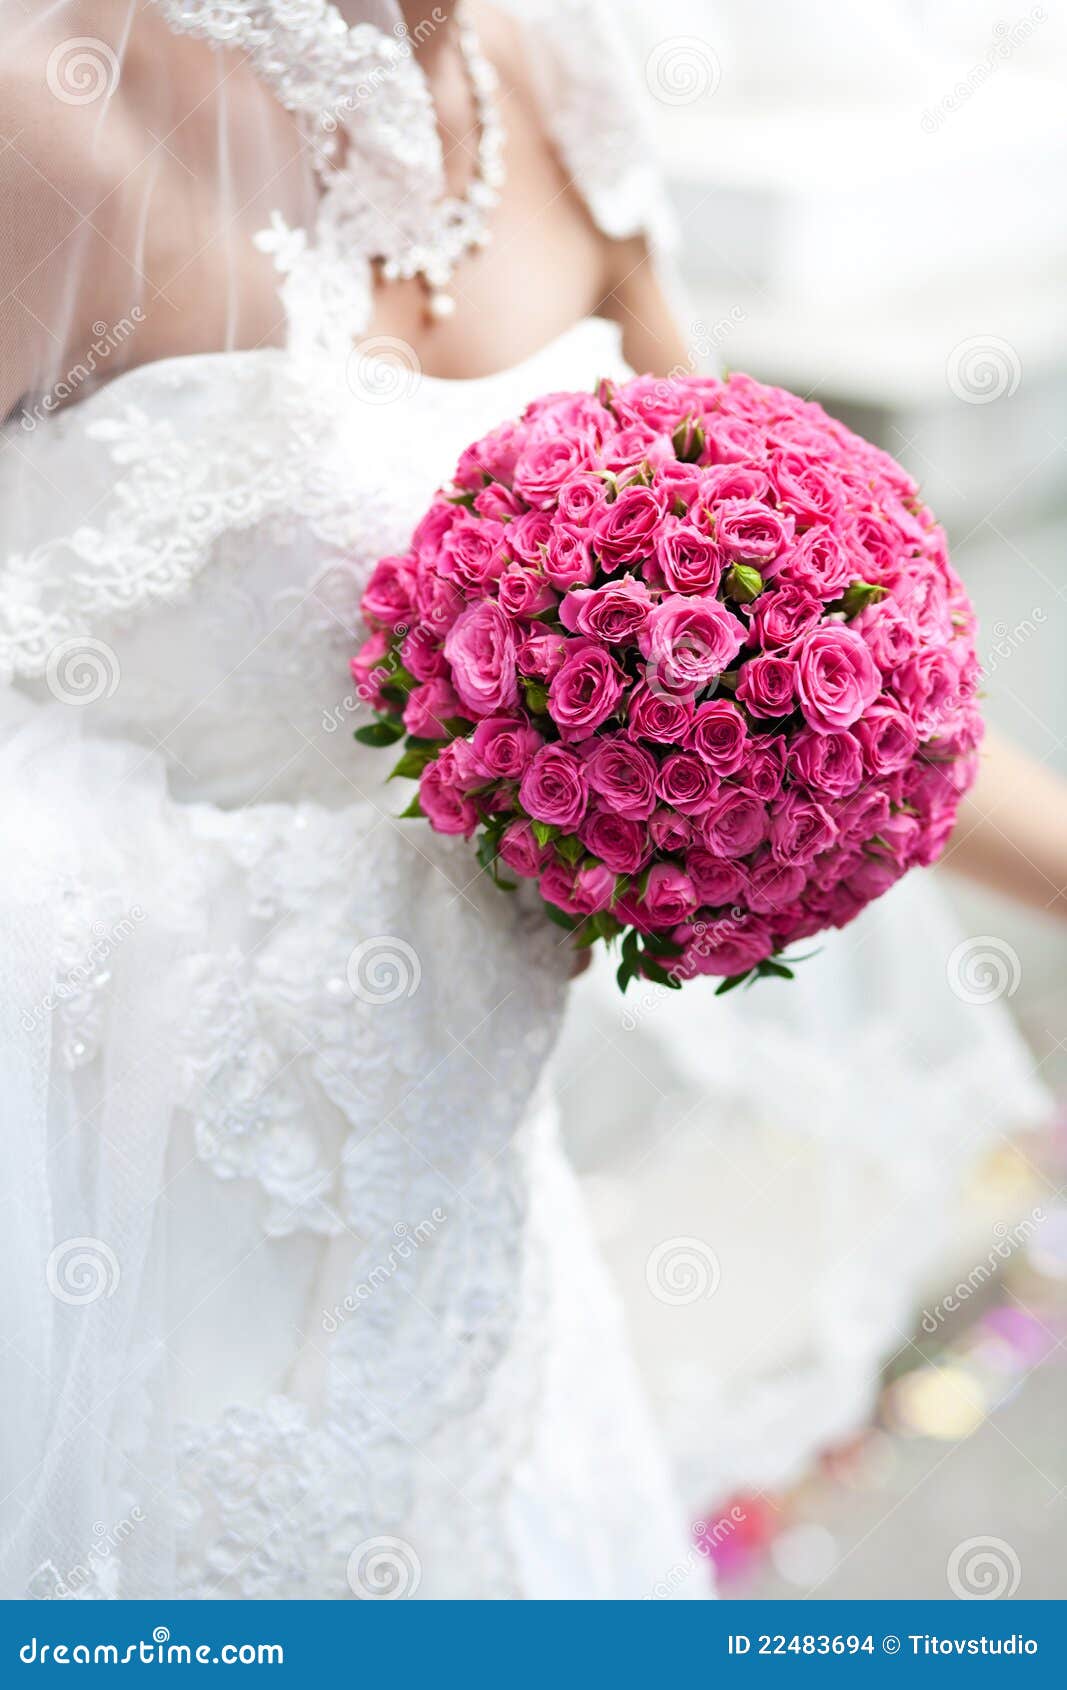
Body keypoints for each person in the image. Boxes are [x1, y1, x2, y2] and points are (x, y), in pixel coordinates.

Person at [0, 0, 1058, 1600]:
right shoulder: (47, 106)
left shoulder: (554, 77)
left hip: (458, 1221)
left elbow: (801, 655)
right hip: (97, 1206)